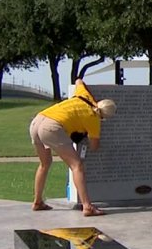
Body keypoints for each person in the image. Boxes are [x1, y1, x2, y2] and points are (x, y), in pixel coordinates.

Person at [29, 79, 116, 216]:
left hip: (38, 120)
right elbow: (94, 146)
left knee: (44, 164)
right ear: (104, 116)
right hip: (52, 127)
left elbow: (79, 81)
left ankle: (37, 201)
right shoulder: (93, 119)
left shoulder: (84, 96)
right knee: (77, 166)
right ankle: (87, 206)